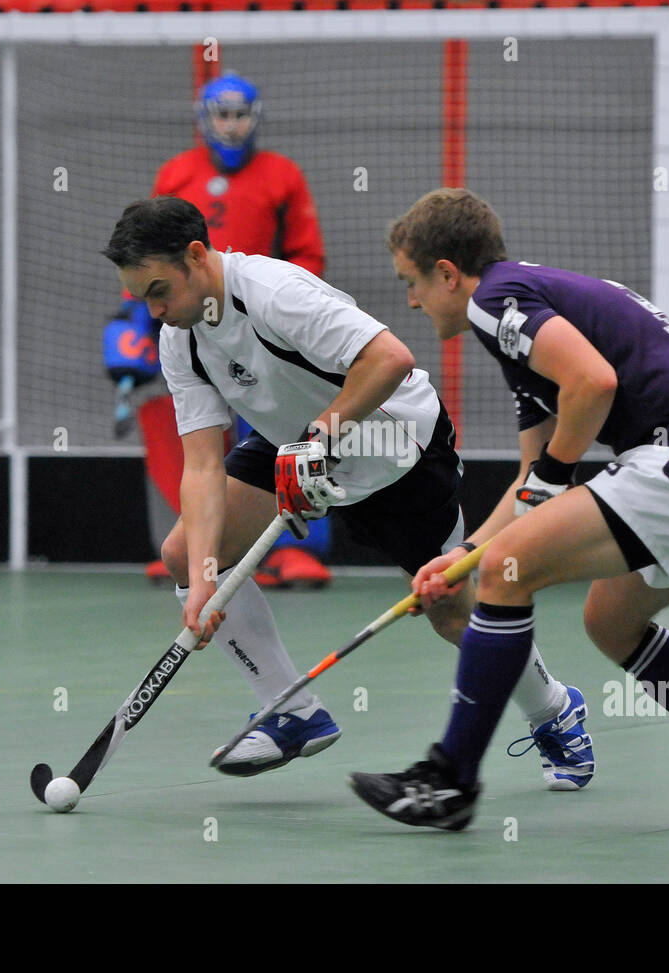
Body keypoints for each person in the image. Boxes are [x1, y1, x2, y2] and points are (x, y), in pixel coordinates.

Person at [349, 187, 669, 830]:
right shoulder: (527, 324)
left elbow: (593, 383)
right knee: (610, 623)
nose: (410, 300)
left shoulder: (496, 300)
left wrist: (553, 477)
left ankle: (448, 779)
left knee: (508, 571)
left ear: (447, 274)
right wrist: (458, 556)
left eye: (412, 283)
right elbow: (527, 483)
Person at [101, 196, 595, 787]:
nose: (155, 310)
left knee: (451, 609)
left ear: (198, 257)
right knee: (186, 554)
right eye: (143, 299)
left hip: (394, 444)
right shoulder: (180, 339)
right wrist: (207, 578)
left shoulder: (274, 292)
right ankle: (291, 711)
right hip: (297, 442)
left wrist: (319, 438)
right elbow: (203, 466)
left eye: (160, 291)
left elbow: (389, 358)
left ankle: (555, 711)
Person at [103, 72, 332, 587]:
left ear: (256, 117)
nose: (231, 126)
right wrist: (134, 315)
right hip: (188, 326)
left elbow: (306, 252)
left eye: (240, 114)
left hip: (259, 329)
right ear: (203, 118)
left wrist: (288, 313)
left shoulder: (283, 175)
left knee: (277, 431)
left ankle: (293, 550)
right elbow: (145, 252)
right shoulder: (176, 173)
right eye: (221, 114)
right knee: (188, 434)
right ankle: (194, 545)